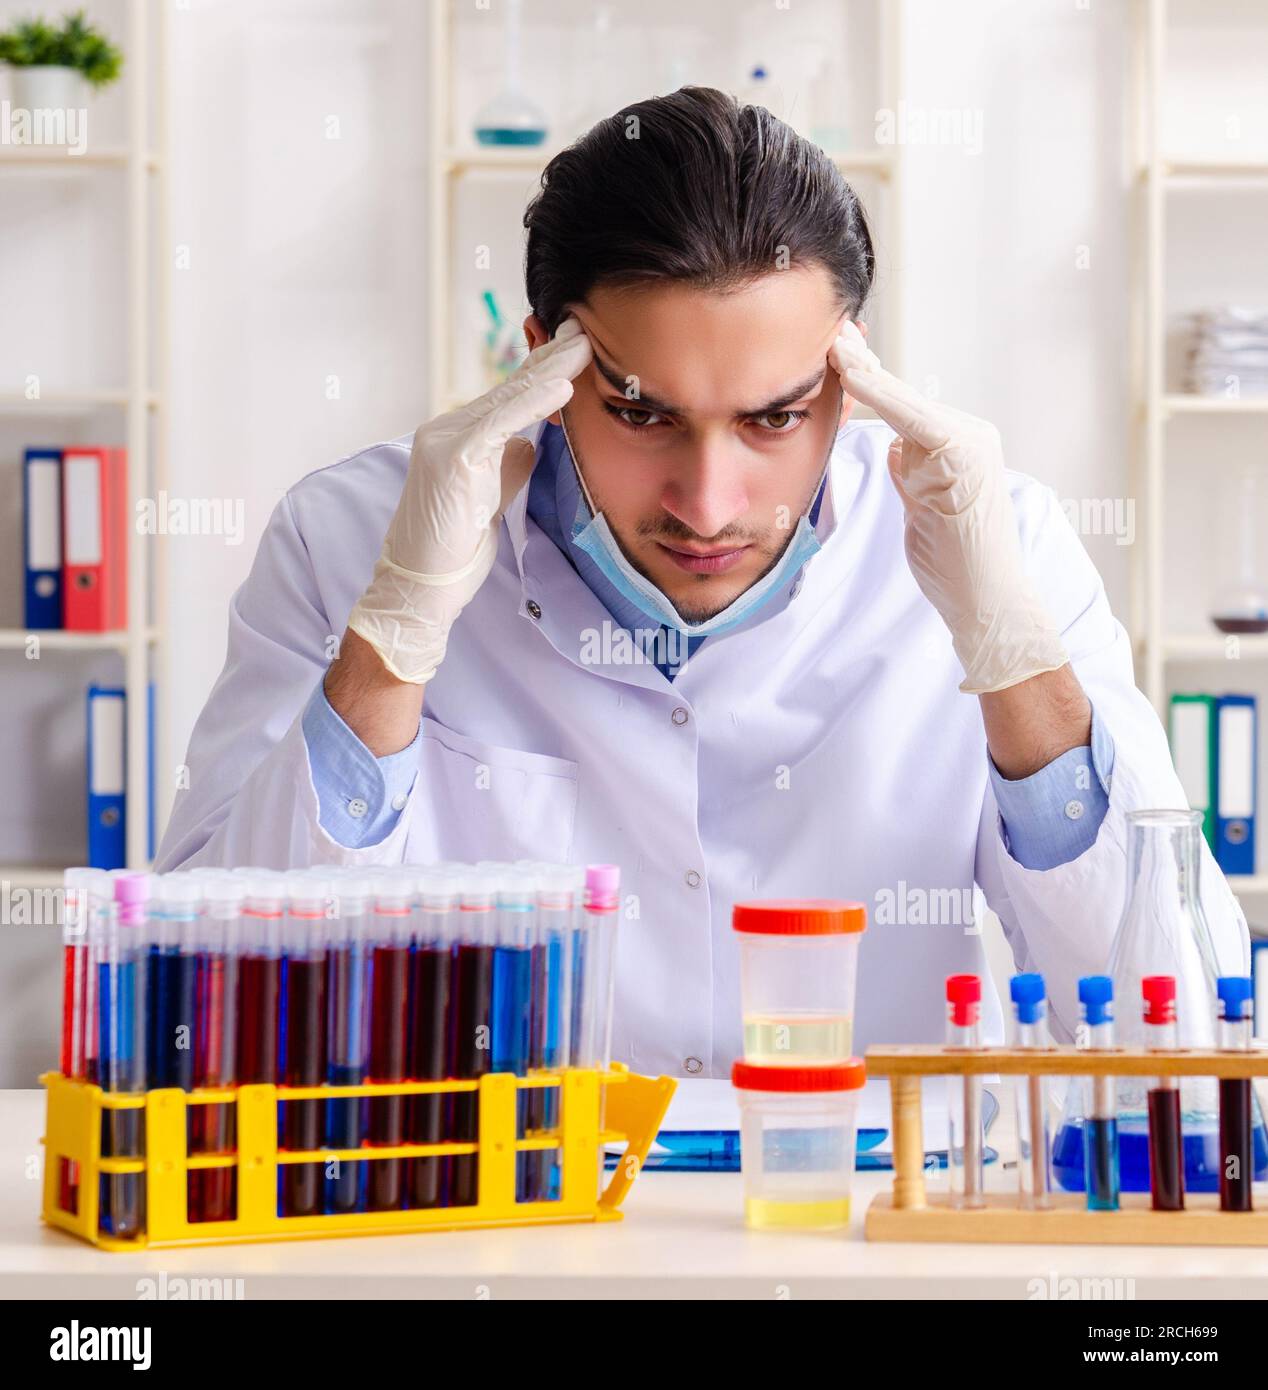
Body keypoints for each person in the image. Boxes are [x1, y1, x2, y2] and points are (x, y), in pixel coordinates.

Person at [156, 87, 1247, 1076]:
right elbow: (191, 1024)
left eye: (772, 415)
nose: (709, 502)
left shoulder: (991, 540)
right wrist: (394, 635)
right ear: (541, 363)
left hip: (855, 1233)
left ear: (847, 373)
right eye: (640, 412)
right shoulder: (353, 540)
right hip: (491, 1241)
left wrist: (1011, 656)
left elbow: (1186, 1042)